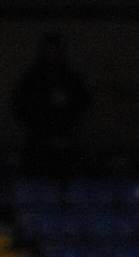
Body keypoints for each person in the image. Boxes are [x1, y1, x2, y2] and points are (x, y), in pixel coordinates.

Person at [12, 34, 90, 173]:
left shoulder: (70, 77)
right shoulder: (33, 78)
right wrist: (39, 108)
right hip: (37, 138)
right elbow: (20, 104)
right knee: (38, 175)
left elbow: (83, 101)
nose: (52, 55)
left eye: (55, 50)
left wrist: (68, 104)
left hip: (67, 136)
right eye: (49, 50)